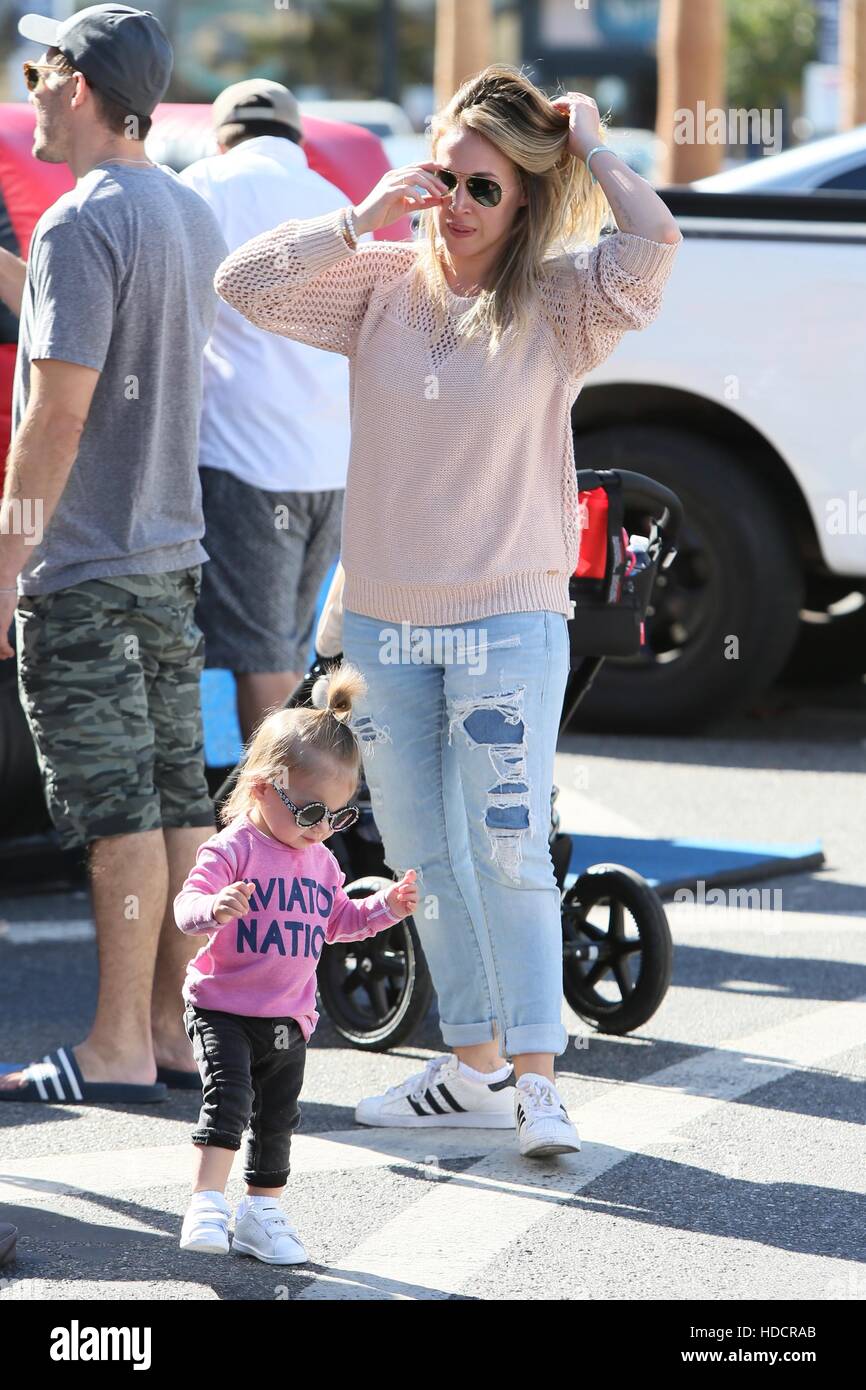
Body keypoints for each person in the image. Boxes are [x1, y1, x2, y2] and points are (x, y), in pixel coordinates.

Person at [213, 63, 683, 1159]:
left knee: (509, 847)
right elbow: (243, 282)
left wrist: (594, 146)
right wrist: (362, 211)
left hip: (508, 618)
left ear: (522, 203)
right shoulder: (376, 281)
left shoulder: (563, 303)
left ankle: (535, 1075)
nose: (461, 207)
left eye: (487, 190)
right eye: (449, 179)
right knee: (423, 853)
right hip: (384, 628)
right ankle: (470, 1062)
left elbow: (653, 245)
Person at [0, 5, 228, 1103]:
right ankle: (173, 1035)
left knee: (114, 818)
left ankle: (114, 1049)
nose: (30, 85)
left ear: (80, 87)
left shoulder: (77, 222)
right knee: (178, 802)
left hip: (85, 569)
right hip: (170, 556)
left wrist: (2, 571)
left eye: (41, 69)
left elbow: (54, 420)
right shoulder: (186, 212)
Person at [173, 663, 418, 1262]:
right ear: (260, 787)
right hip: (221, 1005)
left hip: (289, 1015)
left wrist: (386, 906)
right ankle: (207, 1201)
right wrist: (215, 907)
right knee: (228, 1097)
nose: (322, 830)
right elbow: (185, 908)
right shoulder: (232, 848)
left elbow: (338, 923)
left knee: (278, 1119)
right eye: (310, 813)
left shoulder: (325, 863)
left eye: (337, 817)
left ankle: (262, 1209)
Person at [180, 80, 372, 742]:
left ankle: (284, 825)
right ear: (296, 137)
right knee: (290, 654)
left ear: (220, 132)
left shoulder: (204, 183)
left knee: (264, 659)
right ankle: (309, 814)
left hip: (244, 458)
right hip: (330, 463)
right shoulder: (336, 201)